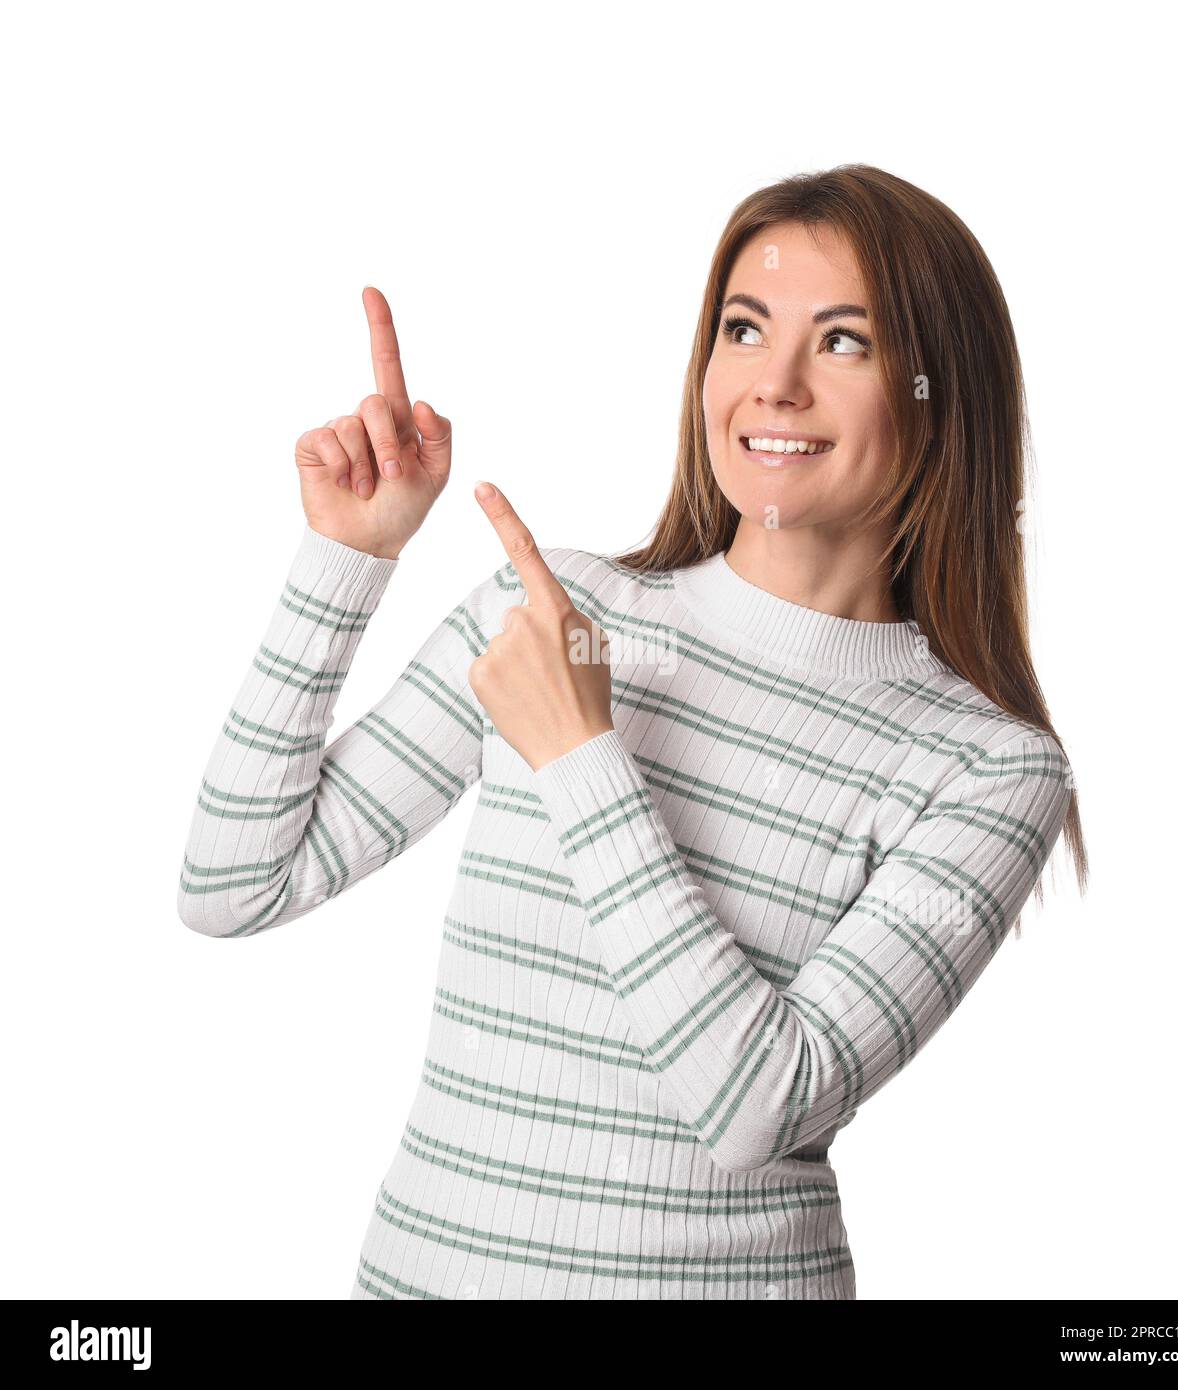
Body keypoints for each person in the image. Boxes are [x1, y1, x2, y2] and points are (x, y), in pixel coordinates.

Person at [177, 163, 1087, 1300]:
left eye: (844, 342)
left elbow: (757, 1104)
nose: (778, 385)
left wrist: (581, 755)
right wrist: (346, 557)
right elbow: (232, 884)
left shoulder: (989, 768)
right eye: (745, 330)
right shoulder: (556, 613)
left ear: (936, 392)